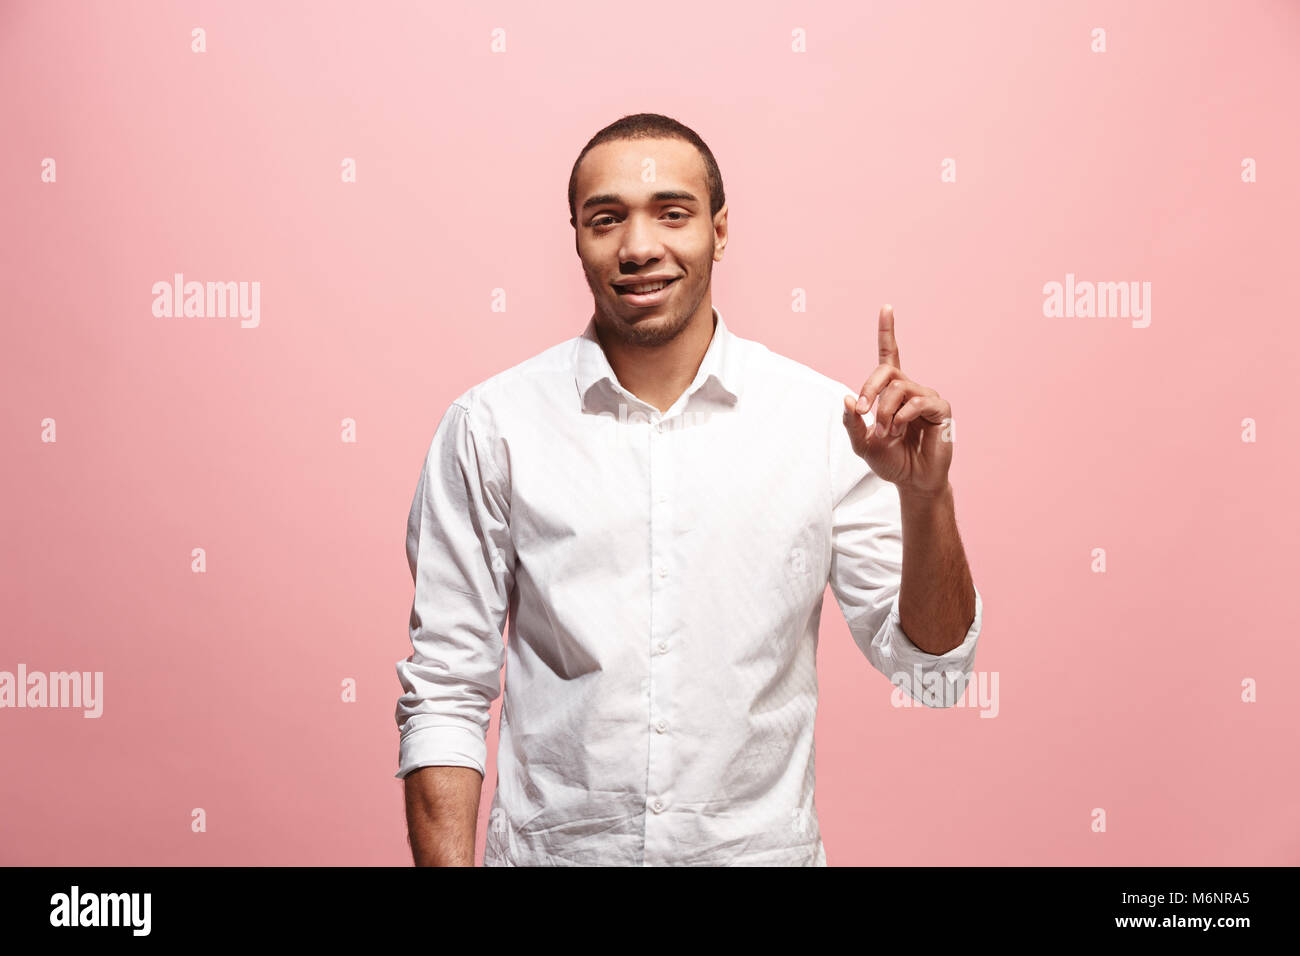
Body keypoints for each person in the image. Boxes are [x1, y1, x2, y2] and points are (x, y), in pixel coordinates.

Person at [395, 113, 983, 866]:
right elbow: (445, 690)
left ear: (721, 228)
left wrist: (926, 499)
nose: (640, 247)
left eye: (672, 213)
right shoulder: (491, 427)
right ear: (575, 234)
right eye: (607, 219)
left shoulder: (823, 424)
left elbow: (933, 675)